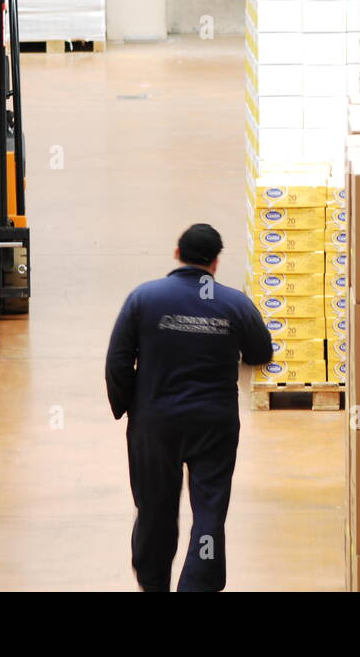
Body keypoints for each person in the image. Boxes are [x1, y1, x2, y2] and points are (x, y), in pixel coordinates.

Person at [105, 223, 273, 591]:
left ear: (177, 253)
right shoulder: (234, 303)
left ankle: (153, 583)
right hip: (214, 424)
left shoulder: (144, 298)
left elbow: (117, 361)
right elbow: (262, 351)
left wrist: (128, 407)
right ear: (215, 262)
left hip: (155, 423)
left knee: (155, 509)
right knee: (209, 513)